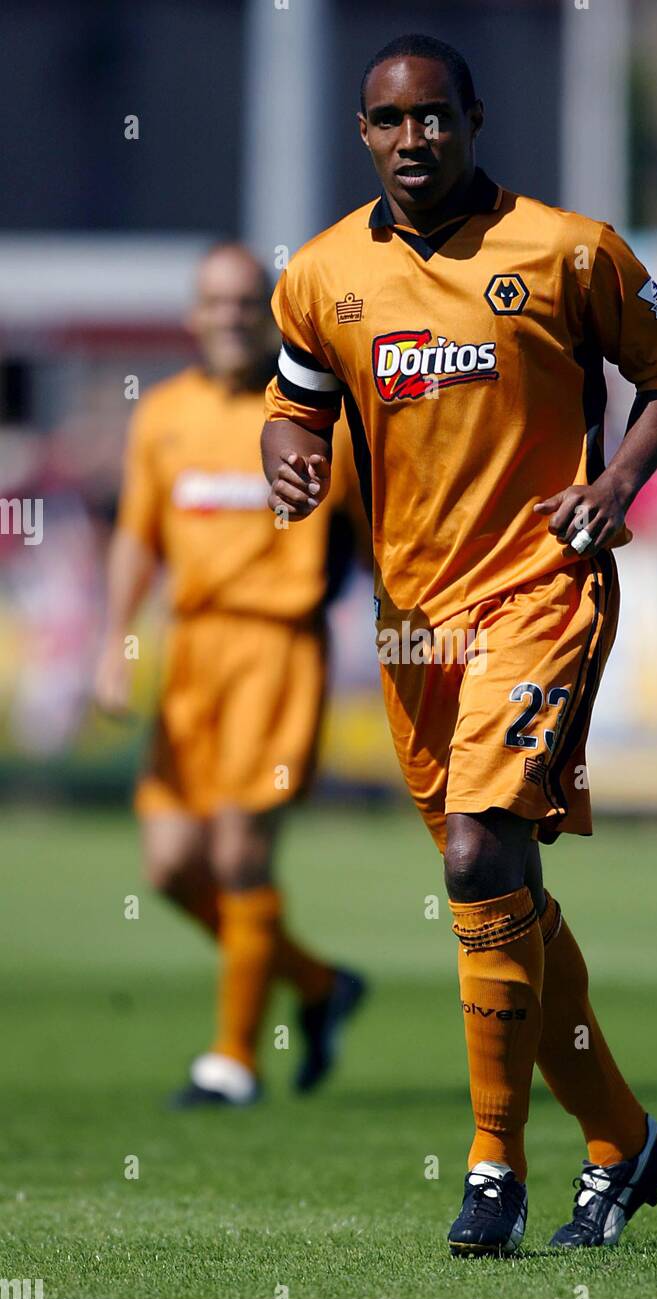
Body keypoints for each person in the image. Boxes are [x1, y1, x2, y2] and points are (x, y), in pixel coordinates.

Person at [262, 35, 657, 1255]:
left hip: (539, 591)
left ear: (472, 118)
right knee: (497, 889)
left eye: (434, 117)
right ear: (363, 133)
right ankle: (621, 1140)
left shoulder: (567, 249)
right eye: (390, 122)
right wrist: (288, 453)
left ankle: (493, 1167)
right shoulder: (317, 274)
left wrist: (617, 480)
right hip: (414, 625)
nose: (414, 141)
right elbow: (294, 397)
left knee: (476, 853)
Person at [95, 242, 366, 1107]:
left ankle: (231, 1061)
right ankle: (318, 983)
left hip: (279, 649)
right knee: (173, 865)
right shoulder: (164, 415)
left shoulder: (316, 419)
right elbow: (138, 534)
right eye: (215, 302)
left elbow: (379, 530)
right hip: (191, 653)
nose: (231, 317)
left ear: (273, 315)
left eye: (248, 302)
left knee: (242, 850)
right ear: (192, 314)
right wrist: (114, 639)